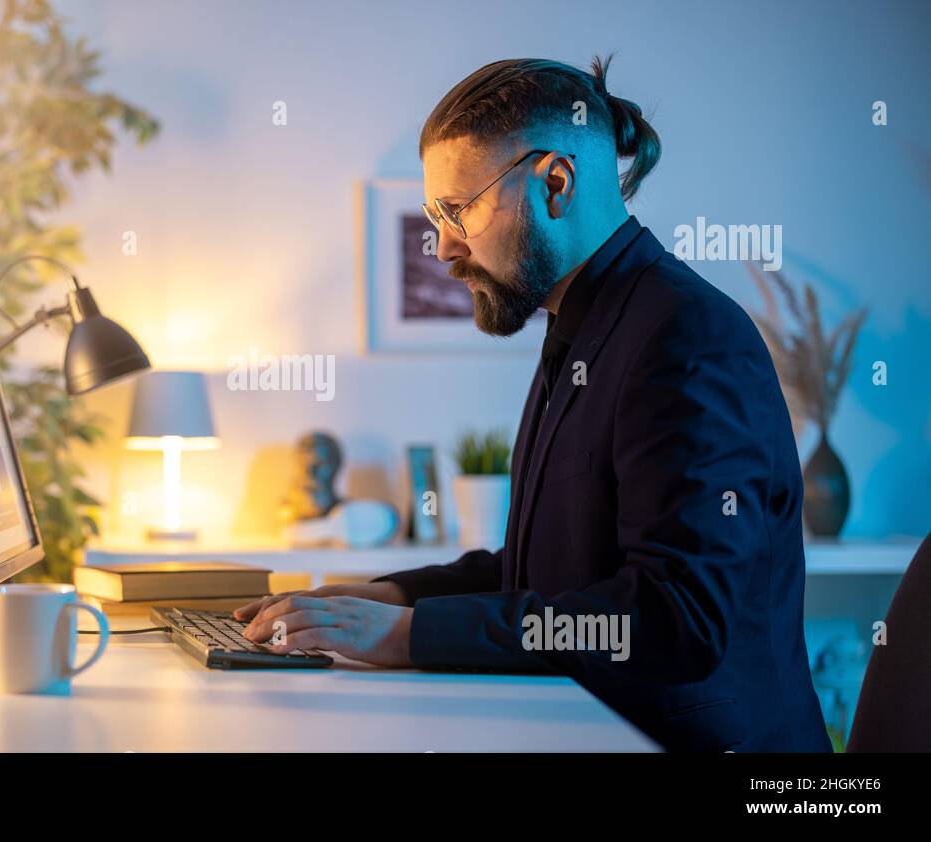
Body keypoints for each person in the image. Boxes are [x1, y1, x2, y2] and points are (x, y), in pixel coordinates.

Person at [236, 55, 830, 752]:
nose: (443, 246)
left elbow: (676, 619)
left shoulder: (686, 338)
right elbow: (541, 571)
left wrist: (408, 638)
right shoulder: (583, 329)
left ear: (555, 183)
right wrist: (381, 599)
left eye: (457, 210)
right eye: (435, 213)